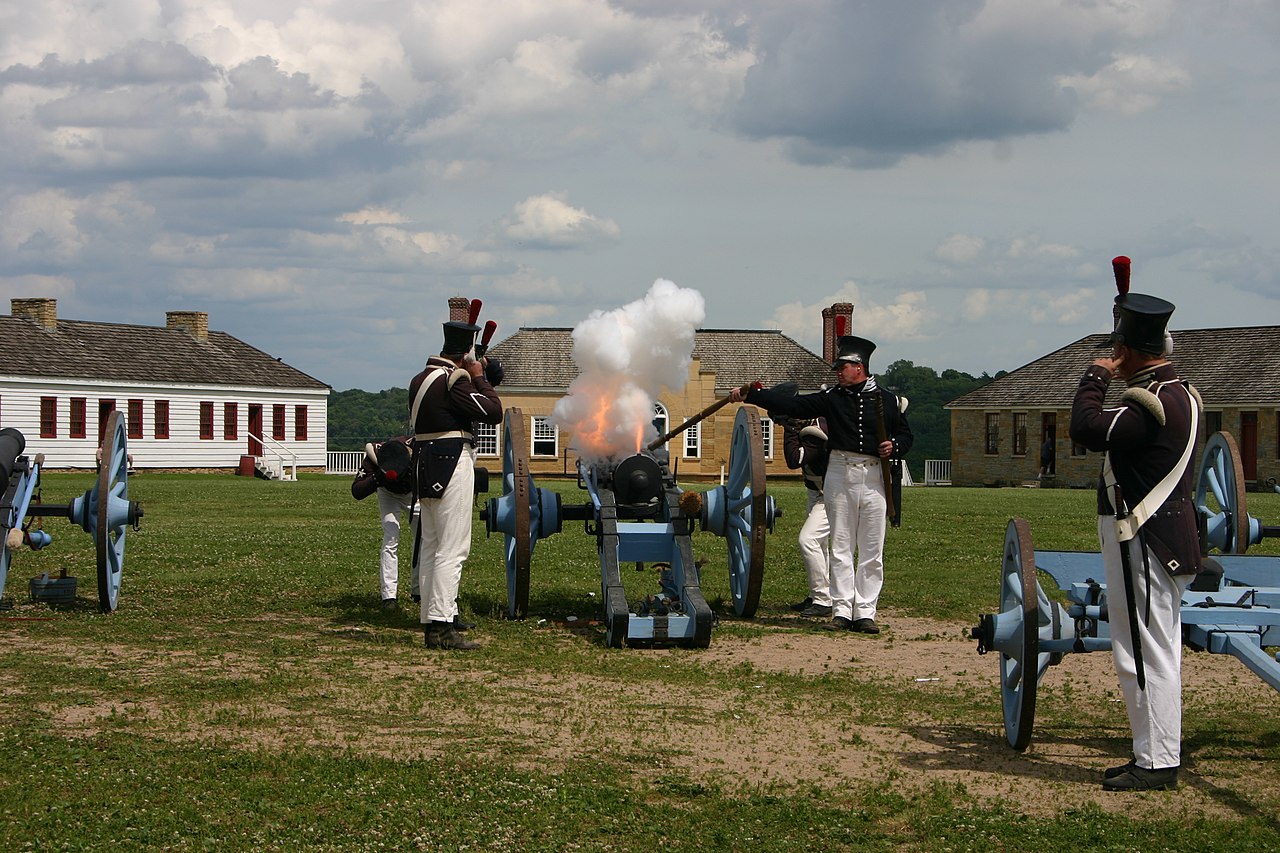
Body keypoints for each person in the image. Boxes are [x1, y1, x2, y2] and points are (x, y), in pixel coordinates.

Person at [1069, 290, 1201, 792]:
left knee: (1146, 654)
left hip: (1145, 535)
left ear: (1130, 350)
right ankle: (1150, 753)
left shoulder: (1152, 402)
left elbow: (1087, 428)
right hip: (1158, 534)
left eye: (1119, 347)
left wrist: (1097, 375)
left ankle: (1158, 760)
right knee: (1146, 649)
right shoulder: (1180, 391)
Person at [731, 335, 912, 634]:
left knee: (871, 548)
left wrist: (894, 446)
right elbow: (793, 404)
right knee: (840, 545)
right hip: (840, 472)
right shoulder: (832, 398)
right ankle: (842, 609)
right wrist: (755, 395)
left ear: (860, 367)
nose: (839, 372)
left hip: (874, 477)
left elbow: (906, 436)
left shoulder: (888, 401)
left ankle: (865, 611)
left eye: (843, 366)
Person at [409, 319, 504, 650]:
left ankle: (433, 619)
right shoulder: (454, 380)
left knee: (432, 546)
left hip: (424, 463)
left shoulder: (420, 379)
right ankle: (442, 626)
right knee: (453, 549)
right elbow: (493, 411)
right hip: (451, 462)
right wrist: (479, 376)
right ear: (466, 353)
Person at [351, 436, 420, 610]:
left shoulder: (418, 450)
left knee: (422, 539)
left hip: (414, 493)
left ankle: (419, 590)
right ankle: (389, 595)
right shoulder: (376, 455)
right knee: (390, 539)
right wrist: (379, 477)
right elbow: (357, 491)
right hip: (388, 493)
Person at [782, 417, 833, 617]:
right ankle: (817, 595)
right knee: (819, 544)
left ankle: (823, 599)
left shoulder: (815, 431)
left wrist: (789, 429)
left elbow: (794, 460)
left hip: (830, 494)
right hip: (816, 491)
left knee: (808, 539)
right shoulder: (809, 426)